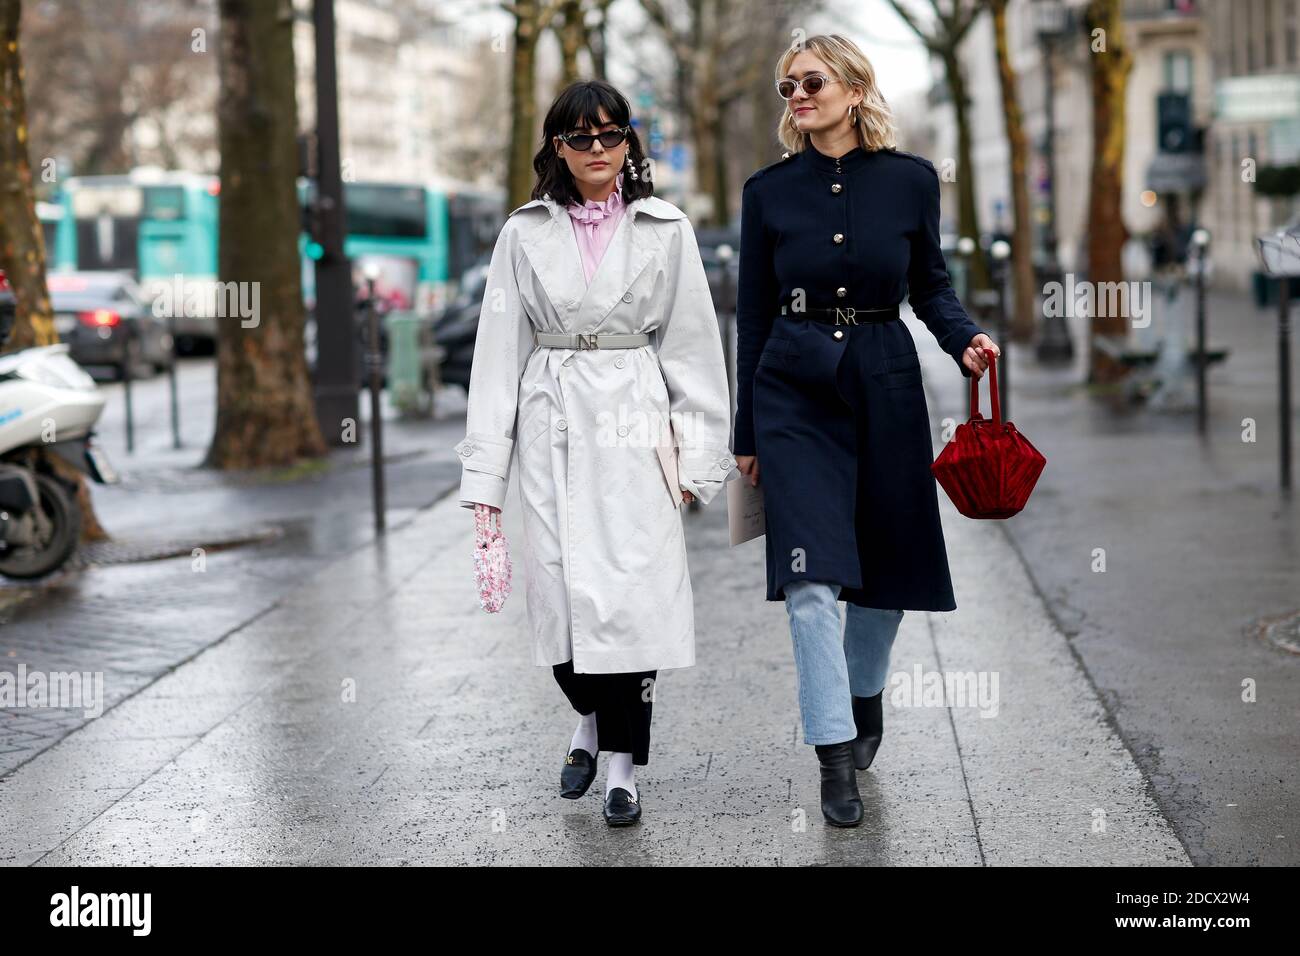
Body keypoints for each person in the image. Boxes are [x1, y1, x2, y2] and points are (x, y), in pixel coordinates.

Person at [733, 34, 1001, 828]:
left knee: (884, 573)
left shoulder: (911, 182)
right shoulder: (766, 192)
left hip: (885, 377)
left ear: (854, 88)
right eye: (786, 88)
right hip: (793, 386)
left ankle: (861, 693)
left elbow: (932, 287)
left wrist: (965, 340)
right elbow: (751, 314)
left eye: (810, 81)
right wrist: (747, 429)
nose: (797, 97)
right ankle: (834, 755)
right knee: (810, 580)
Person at [454, 79, 732, 827]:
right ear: (557, 147)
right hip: (550, 417)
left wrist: (701, 459)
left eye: (612, 135)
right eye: (581, 138)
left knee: (631, 599)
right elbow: (495, 353)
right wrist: (485, 473)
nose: (598, 150)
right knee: (556, 592)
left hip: (634, 419)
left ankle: (620, 766)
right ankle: (588, 718)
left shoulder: (665, 229)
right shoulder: (522, 233)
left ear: (629, 141)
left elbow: (695, 348)